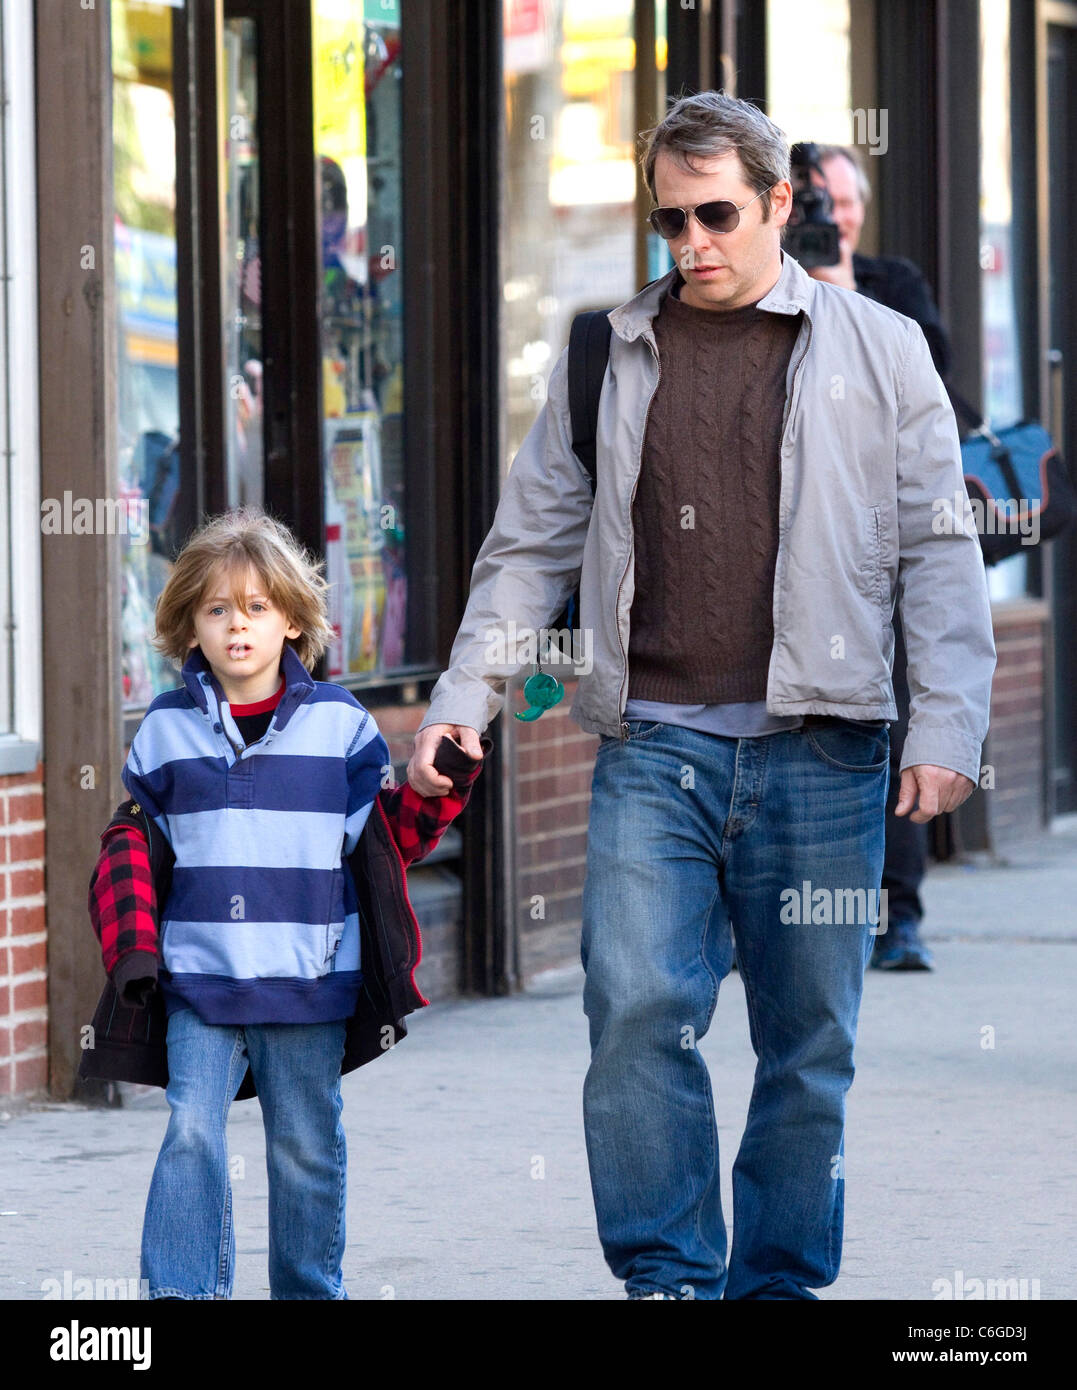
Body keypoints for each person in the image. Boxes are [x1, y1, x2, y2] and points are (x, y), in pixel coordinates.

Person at [407, 90, 996, 1300]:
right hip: (656, 745)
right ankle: (668, 1274)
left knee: (810, 1044)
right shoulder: (605, 351)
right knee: (634, 1014)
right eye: (669, 220)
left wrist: (949, 723)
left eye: (717, 214)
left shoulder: (883, 350)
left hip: (825, 752)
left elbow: (941, 546)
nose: (692, 244)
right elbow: (528, 551)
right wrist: (464, 696)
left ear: (782, 202)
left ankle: (777, 1283)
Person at [100, 506, 484, 1299]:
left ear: (291, 619)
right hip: (199, 981)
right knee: (190, 1134)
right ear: (189, 625)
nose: (236, 627)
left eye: (255, 607)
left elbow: (382, 845)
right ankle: (180, 1292)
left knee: (305, 1148)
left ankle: (308, 1289)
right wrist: (134, 953)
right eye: (215, 609)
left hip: (309, 982)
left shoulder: (339, 726)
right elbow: (131, 848)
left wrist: (429, 788)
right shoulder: (164, 731)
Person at [806, 142, 957, 970]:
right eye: (814, 202)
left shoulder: (890, 284)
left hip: (877, 549)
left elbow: (936, 382)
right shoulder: (759, 284)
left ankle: (898, 914)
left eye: (842, 200)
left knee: (888, 722)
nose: (831, 217)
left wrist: (839, 288)